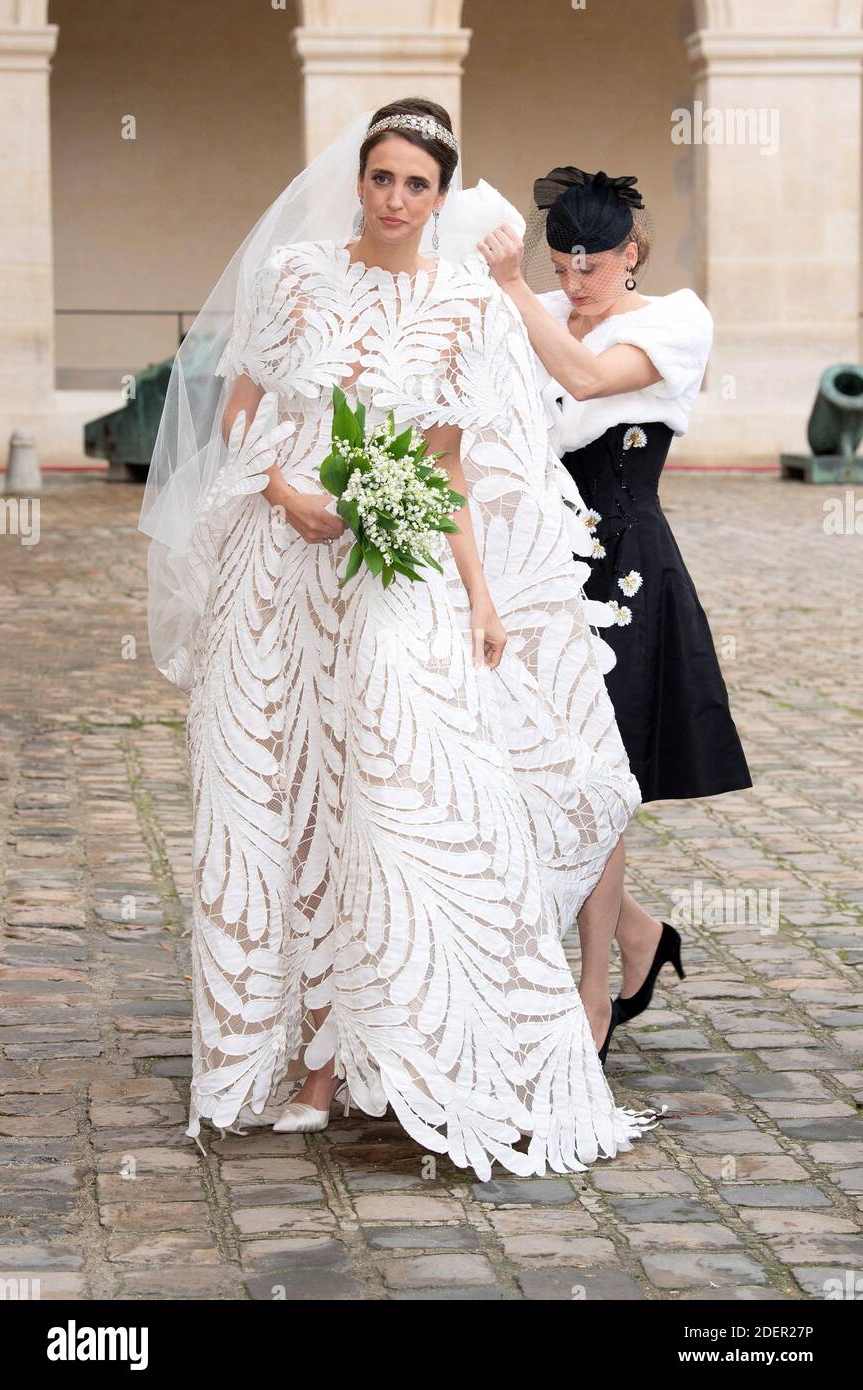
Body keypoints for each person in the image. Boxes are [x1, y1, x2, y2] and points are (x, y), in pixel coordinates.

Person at [138, 100, 664, 1183]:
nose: (393, 199)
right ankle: (304, 1064)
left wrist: (478, 596)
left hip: (393, 574)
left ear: (442, 192)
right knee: (288, 802)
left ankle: (402, 1049)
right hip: (279, 576)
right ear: (360, 180)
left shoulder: (469, 301)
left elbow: (446, 468)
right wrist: (283, 488)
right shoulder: (292, 276)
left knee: (387, 792)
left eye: (415, 184)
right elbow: (239, 410)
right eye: (380, 178)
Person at [477, 166, 752, 1028]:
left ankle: (592, 989)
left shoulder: (677, 319)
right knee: (532, 769)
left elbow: (589, 382)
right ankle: (639, 933)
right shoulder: (542, 306)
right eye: (559, 265)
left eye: (589, 267)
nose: (574, 284)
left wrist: (516, 290)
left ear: (631, 253)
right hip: (533, 561)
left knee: (600, 780)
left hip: (627, 566)